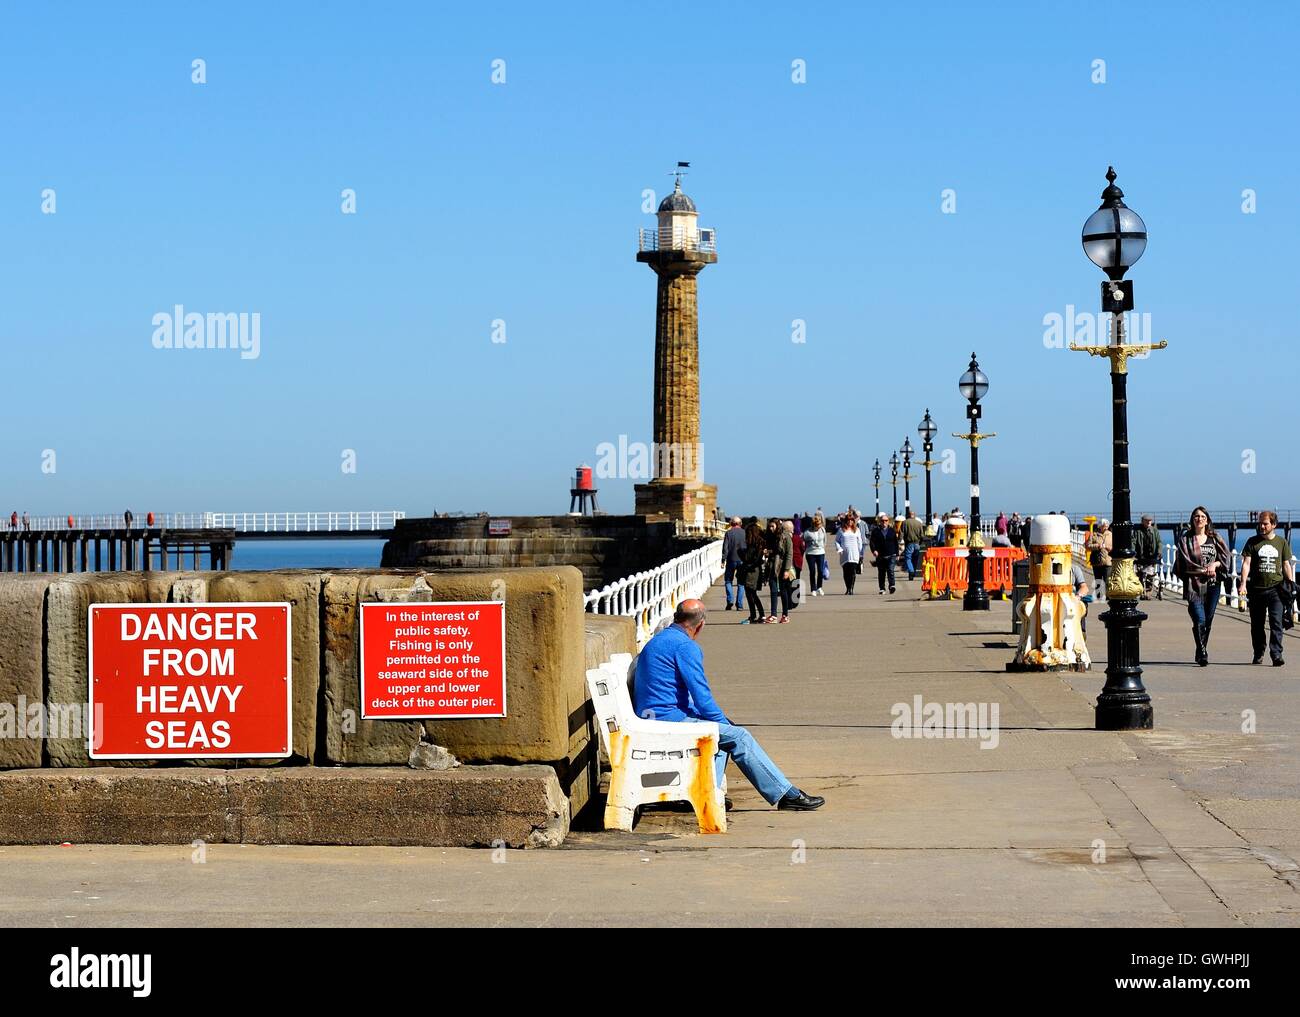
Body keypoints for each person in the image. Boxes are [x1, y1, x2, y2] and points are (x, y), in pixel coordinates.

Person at [634, 600, 825, 810]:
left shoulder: (661, 639)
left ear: (677, 617)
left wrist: (720, 721)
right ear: (701, 625)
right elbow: (702, 697)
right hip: (666, 720)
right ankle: (786, 795)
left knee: (724, 735)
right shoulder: (685, 647)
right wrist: (722, 721)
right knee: (739, 736)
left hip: (651, 716)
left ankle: (708, 792)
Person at [1174, 506, 1230, 667]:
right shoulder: (1186, 540)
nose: (1199, 519)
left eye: (1202, 516)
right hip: (1194, 584)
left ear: (1207, 520)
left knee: (1208, 619)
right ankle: (1203, 651)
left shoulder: (1215, 538)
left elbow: (1225, 558)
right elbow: (1182, 562)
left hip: (1213, 584)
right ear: (1192, 520)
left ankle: (1200, 649)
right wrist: (1201, 570)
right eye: (1196, 516)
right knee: (1199, 618)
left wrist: (1215, 565)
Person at [1238, 509, 1295, 667]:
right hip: (1256, 589)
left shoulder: (1282, 542)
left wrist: (1290, 585)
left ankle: (1276, 654)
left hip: (1276, 589)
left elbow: (1286, 565)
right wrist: (1243, 583)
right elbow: (1246, 564)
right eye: (1260, 524)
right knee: (1257, 624)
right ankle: (1259, 652)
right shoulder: (1252, 541)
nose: (1262, 526)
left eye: (1265, 524)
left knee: (1276, 622)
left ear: (1274, 525)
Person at [766, 520, 795, 623]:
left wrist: (787, 570)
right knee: (773, 589)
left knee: (783, 590)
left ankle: (785, 615)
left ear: (777, 526)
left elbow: (789, 554)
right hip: (772, 566)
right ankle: (774, 615)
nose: (770, 528)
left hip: (782, 566)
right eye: (769, 526)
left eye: (772, 526)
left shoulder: (785, 537)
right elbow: (772, 550)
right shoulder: (770, 536)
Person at [739, 520, 767, 625]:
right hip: (756, 570)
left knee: (751, 594)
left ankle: (754, 616)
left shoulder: (753, 545)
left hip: (751, 571)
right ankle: (760, 615)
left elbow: (749, 558)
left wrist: (740, 552)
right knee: (753, 594)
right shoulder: (759, 543)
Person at [1134, 514, 1163, 601]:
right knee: (1140, 575)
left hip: (1152, 556)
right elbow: (1133, 541)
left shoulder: (1154, 531)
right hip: (1141, 556)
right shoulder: (1137, 531)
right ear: (1142, 521)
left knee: (1150, 575)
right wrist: (1132, 553)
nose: (1149, 522)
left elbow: (1159, 542)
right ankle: (1142, 592)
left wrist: (1159, 551)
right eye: (1147, 521)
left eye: (1150, 520)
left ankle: (1148, 593)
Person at [835, 514, 866, 594]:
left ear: (853, 521)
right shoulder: (841, 530)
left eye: (851, 520)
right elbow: (837, 541)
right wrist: (839, 549)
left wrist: (860, 553)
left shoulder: (857, 530)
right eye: (848, 520)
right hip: (844, 554)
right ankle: (847, 588)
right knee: (846, 572)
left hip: (854, 553)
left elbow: (860, 542)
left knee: (852, 571)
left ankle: (851, 589)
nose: (850, 522)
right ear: (845, 521)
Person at [721, 517, 747, 612]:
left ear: (732, 523)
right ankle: (739, 605)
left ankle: (730, 600)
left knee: (728, 581)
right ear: (740, 523)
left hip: (731, 559)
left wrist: (723, 560)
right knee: (741, 583)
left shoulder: (728, 533)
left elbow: (725, 548)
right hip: (742, 560)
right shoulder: (745, 533)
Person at [869, 512, 899, 595]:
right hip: (880, 555)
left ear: (888, 521)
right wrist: (874, 550)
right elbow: (872, 542)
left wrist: (897, 554)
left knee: (890, 570)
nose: (884, 522)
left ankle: (892, 585)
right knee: (881, 572)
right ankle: (882, 588)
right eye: (882, 521)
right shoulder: (876, 531)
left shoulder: (892, 531)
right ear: (880, 522)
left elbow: (896, 543)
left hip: (891, 554)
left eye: (886, 520)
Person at [803, 512, 828, 597]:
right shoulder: (807, 532)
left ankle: (819, 587)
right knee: (812, 571)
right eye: (818, 525)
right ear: (814, 525)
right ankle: (813, 589)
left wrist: (823, 547)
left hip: (820, 552)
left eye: (820, 524)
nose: (819, 526)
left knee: (820, 571)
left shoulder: (822, 530)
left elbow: (825, 539)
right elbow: (803, 541)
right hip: (810, 553)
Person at [1087, 519, 1112, 600]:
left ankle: (1107, 595)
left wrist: (1108, 547)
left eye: (1107, 526)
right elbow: (1087, 546)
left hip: (1107, 560)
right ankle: (1099, 595)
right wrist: (1097, 546)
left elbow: (1115, 547)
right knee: (1098, 579)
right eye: (1104, 526)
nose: (1106, 527)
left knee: (1107, 579)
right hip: (1096, 560)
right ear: (1100, 526)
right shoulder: (1094, 535)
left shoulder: (1111, 535)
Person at [900, 508, 926, 580]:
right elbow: (922, 535)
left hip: (909, 543)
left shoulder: (905, 523)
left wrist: (900, 541)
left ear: (908, 515)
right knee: (915, 559)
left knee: (908, 558)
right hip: (917, 543)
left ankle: (911, 571)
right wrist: (920, 542)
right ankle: (913, 572)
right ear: (914, 515)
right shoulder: (919, 523)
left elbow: (901, 533)